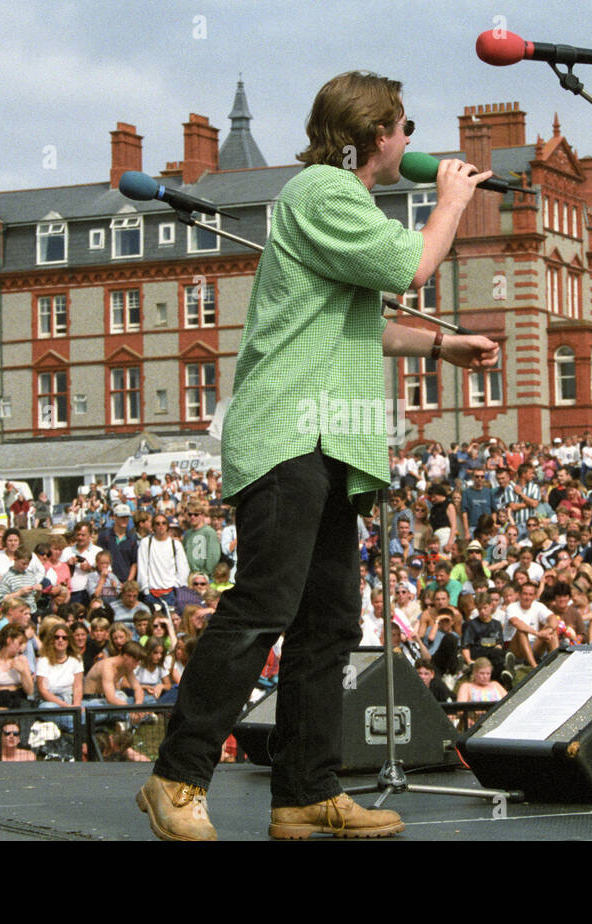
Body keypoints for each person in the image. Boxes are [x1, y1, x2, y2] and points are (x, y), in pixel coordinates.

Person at [139, 70, 497, 842]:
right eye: (404, 128)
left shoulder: (341, 206)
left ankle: (305, 792)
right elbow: (414, 269)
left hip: (331, 436)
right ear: (376, 134)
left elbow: (360, 324)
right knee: (264, 605)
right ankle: (175, 774)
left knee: (329, 618)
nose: (411, 142)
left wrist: (442, 343)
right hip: (289, 432)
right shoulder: (325, 193)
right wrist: (454, 200)